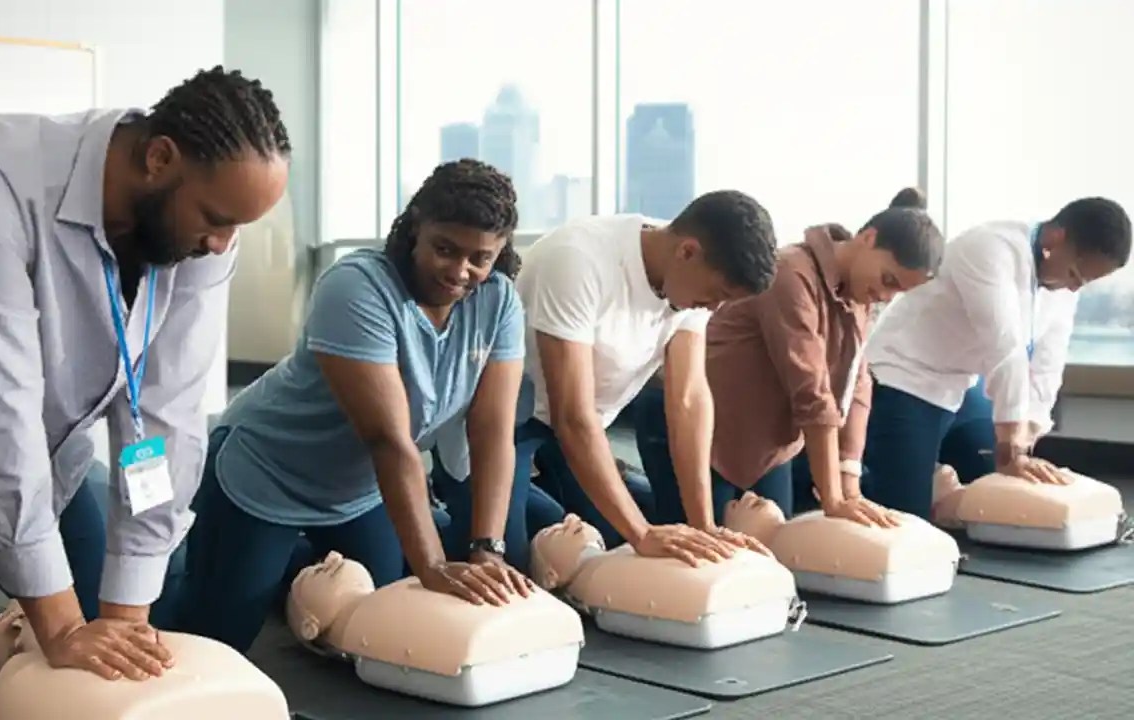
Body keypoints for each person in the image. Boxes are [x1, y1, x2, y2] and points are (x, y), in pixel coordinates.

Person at [0, 66, 291, 719]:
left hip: (50, 459)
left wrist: (121, 623)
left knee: (124, 642)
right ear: (160, 157)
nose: (223, 245)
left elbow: (164, 416)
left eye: (238, 228)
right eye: (217, 219)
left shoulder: (202, 236)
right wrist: (59, 629)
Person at [173, 159, 534, 656]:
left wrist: (488, 549)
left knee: (375, 629)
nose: (460, 271)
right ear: (413, 232)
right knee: (217, 638)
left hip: (359, 491)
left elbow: (492, 431)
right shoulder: (357, 288)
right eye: (445, 248)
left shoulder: (499, 303)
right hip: (268, 472)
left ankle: (291, 571)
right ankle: (200, 568)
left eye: (480, 257)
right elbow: (389, 439)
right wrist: (430, 564)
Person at [489, 192, 781, 565]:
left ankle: (546, 495)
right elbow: (571, 415)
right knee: (520, 558)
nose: (714, 309)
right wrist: (640, 533)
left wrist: (703, 524)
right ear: (687, 252)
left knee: (622, 545)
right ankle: (444, 498)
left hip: (585, 430)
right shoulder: (578, 260)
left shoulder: (690, 283)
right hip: (508, 427)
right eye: (717, 296)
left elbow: (689, 399)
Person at [633, 188, 942, 528]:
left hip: (765, 449)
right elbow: (810, 389)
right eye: (887, 280)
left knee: (769, 545)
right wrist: (834, 499)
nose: (885, 295)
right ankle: (632, 492)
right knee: (695, 554)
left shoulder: (859, 298)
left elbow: (857, 383)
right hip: (696, 428)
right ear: (868, 238)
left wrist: (848, 482)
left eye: (897, 291)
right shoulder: (791, 273)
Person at [862, 197, 1132, 518]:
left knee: (996, 486)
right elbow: (1005, 348)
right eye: (1074, 275)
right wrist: (1012, 445)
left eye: (1083, 283)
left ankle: (932, 476)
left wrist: (1029, 433)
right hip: (904, 376)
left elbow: (1049, 362)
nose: (1074, 289)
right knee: (906, 515)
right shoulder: (989, 249)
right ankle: (861, 473)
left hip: (962, 386)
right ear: (1055, 238)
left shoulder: (1063, 287)